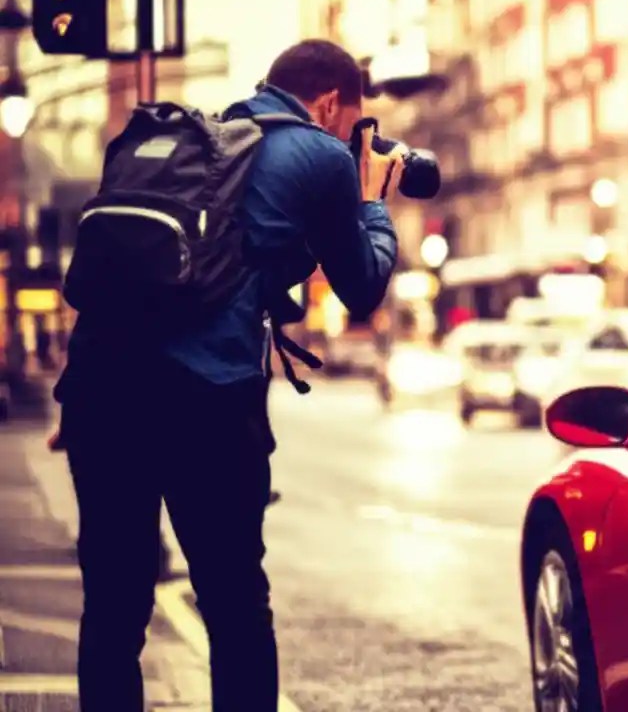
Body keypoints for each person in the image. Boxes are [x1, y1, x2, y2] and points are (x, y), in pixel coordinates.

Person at [47, 40, 403, 712]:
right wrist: (371, 199)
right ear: (329, 103)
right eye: (352, 122)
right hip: (204, 405)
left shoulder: (201, 142)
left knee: (114, 608)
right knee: (235, 605)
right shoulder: (320, 154)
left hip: (99, 394)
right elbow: (362, 287)